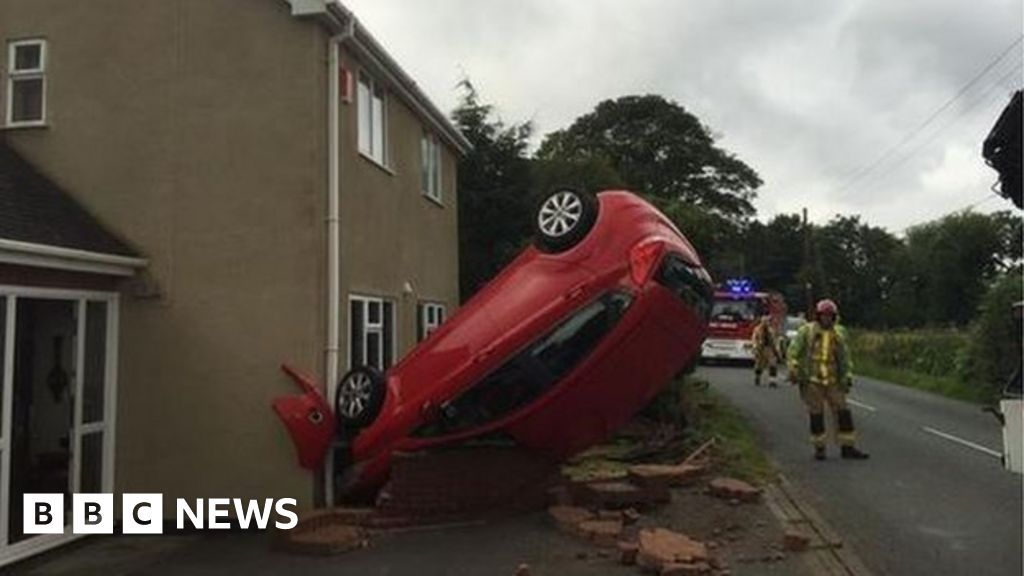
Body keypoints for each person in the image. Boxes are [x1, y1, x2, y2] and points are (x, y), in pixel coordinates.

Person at [787, 299, 869, 460]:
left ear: (834, 317)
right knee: (816, 414)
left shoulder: (839, 333)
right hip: (812, 380)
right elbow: (793, 352)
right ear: (818, 316)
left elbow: (845, 357)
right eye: (824, 315)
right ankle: (819, 448)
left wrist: (847, 376)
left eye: (830, 316)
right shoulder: (806, 331)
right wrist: (794, 368)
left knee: (843, 412)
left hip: (833, 380)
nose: (827, 318)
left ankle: (847, 447)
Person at [751, 315, 780, 387]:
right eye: (765, 321)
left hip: (769, 348)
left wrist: (777, 349)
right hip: (760, 348)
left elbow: (775, 340)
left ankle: (772, 381)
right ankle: (757, 377)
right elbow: (754, 338)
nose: (767, 323)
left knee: (772, 364)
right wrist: (755, 347)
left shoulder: (771, 330)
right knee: (759, 365)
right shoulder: (757, 329)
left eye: (768, 321)